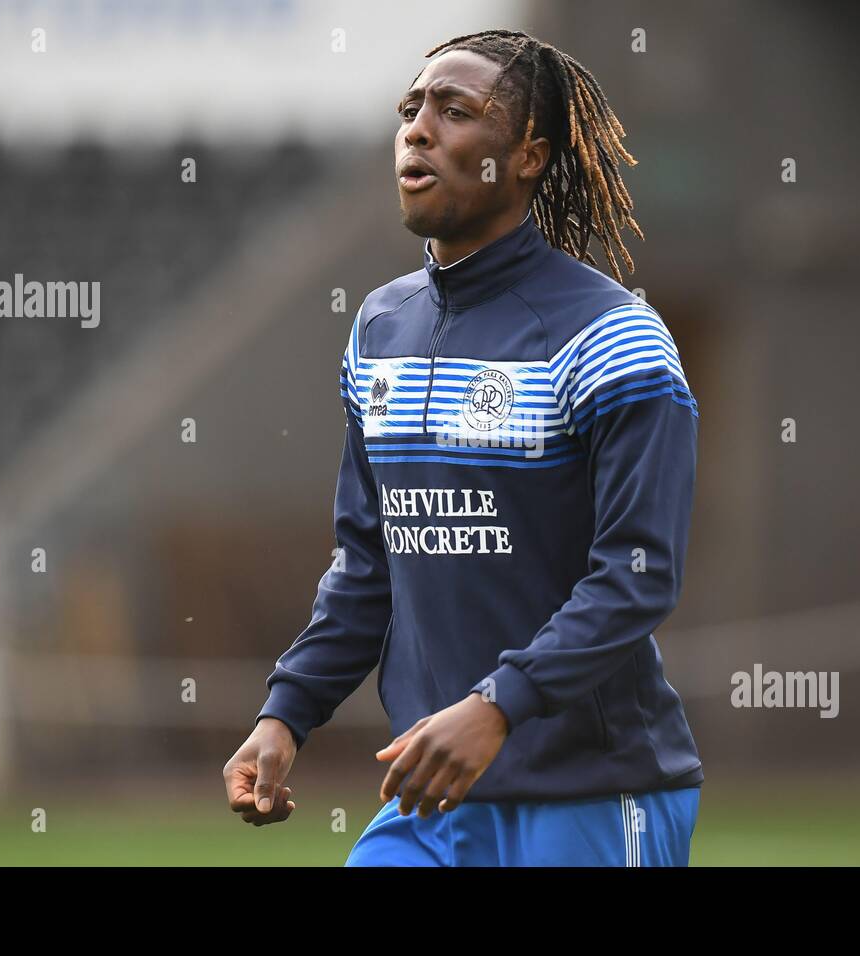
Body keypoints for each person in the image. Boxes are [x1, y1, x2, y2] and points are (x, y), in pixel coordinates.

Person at [223, 29, 703, 866]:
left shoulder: (613, 337)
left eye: (454, 111)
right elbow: (368, 565)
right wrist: (284, 714)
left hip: (592, 791)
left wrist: (499, 705)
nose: (417, 129)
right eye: (410, 110)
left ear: (527, 156)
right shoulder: (379, 327)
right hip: (431, 794)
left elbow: (637, 573)